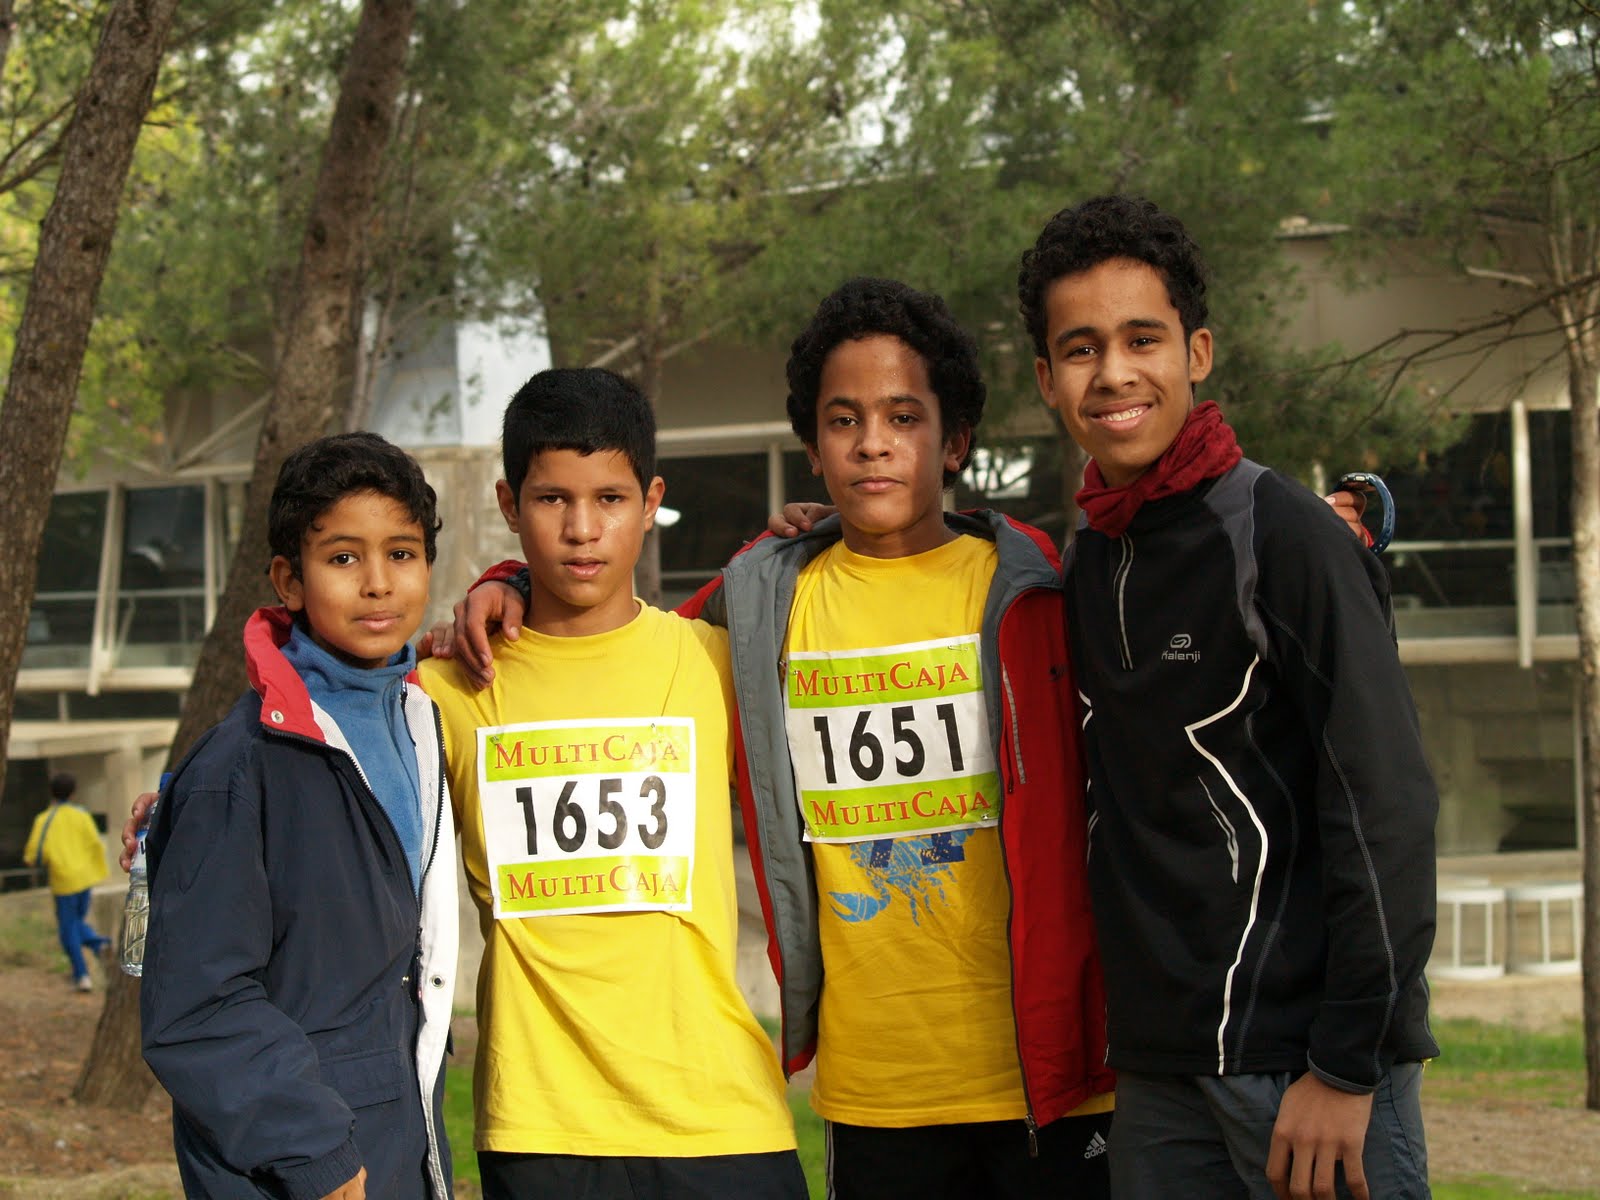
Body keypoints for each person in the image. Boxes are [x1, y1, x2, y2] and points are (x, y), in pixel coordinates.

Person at [442, 282, 1116, 1199]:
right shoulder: (763, 609)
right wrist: (509, 578)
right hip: (875, 1094)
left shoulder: (1036, 592)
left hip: (1051, 1083)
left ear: (954, 440)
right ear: (812, 445)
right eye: (844, 419)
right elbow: (604, 649)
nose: (873, 441)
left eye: (904, 417)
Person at [1015, 194, 1436, 1200]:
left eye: (1141, 339)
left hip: (1305, 1071)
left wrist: (1344, 1065)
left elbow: (1386, 809)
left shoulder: (1285, 537)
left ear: (1197, 352)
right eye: (1080, 349)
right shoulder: (1085, 558)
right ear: (1045, 380)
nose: (1112, 373)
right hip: (1159, 1076)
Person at [415, 368, 804, 1199]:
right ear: (509, 503)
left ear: (652, 497)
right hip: (542, 1127)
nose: (583, 529)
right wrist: (186, 800)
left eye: (612, 498)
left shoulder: (714, 661)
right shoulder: (447, 689)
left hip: (723, 1116)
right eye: (553, 500)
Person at [139, 432, 458, 1200]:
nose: (378, 584)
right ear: (289, 579)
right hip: (302, 1162)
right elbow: (197, 999)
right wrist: (311, 1149)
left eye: (403, 554)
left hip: (396, 1139)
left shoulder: (422, 716)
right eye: (344, 558)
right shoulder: (240, 766)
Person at [23, 771, 110, 992]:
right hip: (85, 878)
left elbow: (33, 852)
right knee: (75, 923)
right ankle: (99, 945)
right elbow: (95, 843)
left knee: (68, 931)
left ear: (51, 792)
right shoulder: (81, 815)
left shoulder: (45, 819)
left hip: (63, 880)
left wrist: (33, 860)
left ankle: (83, 973)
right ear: (73, 792)